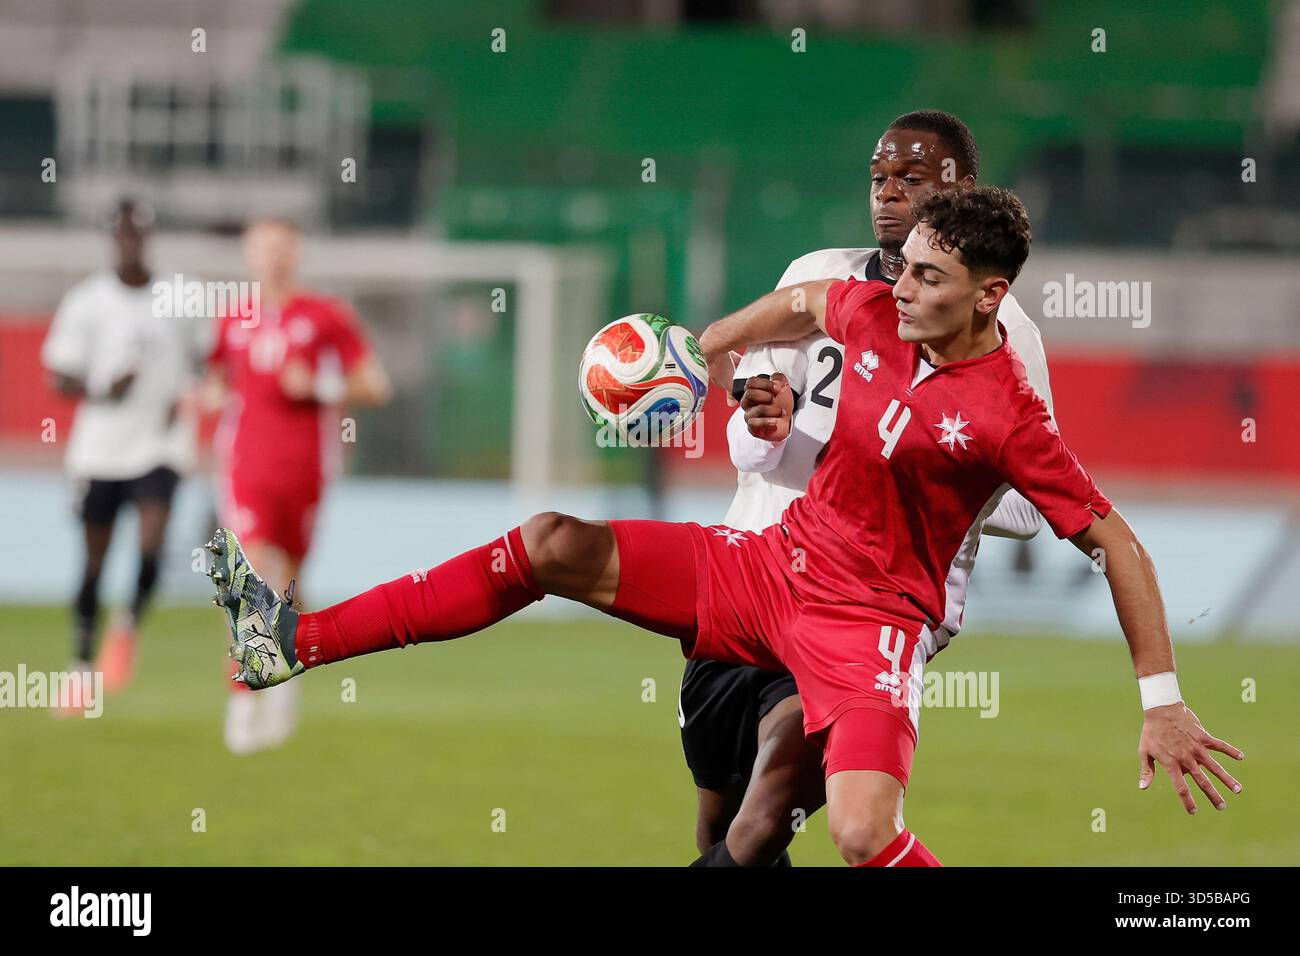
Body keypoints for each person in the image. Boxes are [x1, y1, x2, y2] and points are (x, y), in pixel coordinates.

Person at [206, 186, 1242, 865]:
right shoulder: (875, 307)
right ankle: (285, 640)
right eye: (905, 263)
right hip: (768, 569)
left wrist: (1162, 698)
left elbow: (1115, 540)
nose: (902, 283)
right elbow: (805, 304)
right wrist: (708, 347)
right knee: (551, 541)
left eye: (928, 275)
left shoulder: (1006, 411)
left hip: (867, 626)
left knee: (857, 830)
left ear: (991, 295)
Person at [683, 109, 1051, 866]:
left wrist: (899, 470)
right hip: (749, 573)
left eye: (911, 180)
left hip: (865, 602)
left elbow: (1025, 503)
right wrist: (766, 422)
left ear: (962, 191)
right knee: (721, 832)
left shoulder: (1005, 328)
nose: (887, 195)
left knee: (757, 830)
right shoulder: (815, 276)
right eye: (879, 178)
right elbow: (745, 443)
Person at [204, 218, 391, 753]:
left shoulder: (326, 315)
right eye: (262, 248)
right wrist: (207, 397)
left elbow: (375, 385)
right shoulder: (232, 317)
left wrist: (321, 385)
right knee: (253, 566)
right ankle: (243, 695)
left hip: (306, 468)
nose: (272, 258)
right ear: (249, 255)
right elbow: (217, 379)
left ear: (297, 253)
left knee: (289, 582)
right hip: (246, 464)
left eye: (281, 247)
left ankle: (286, 679)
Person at [41, 199, 206, 712]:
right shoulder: (87, 302)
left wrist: (189, 397)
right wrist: (100, 385)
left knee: (152, 544)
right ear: (112, 237)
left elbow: (208, 359)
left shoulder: (180, 296)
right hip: (100, 450)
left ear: (149, 236)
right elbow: (57, 375)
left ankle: (128, 624)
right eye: (122, 233)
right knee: (94, 560)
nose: (130, 241)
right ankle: (80, 665)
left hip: (161, 444)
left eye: (138, 232)